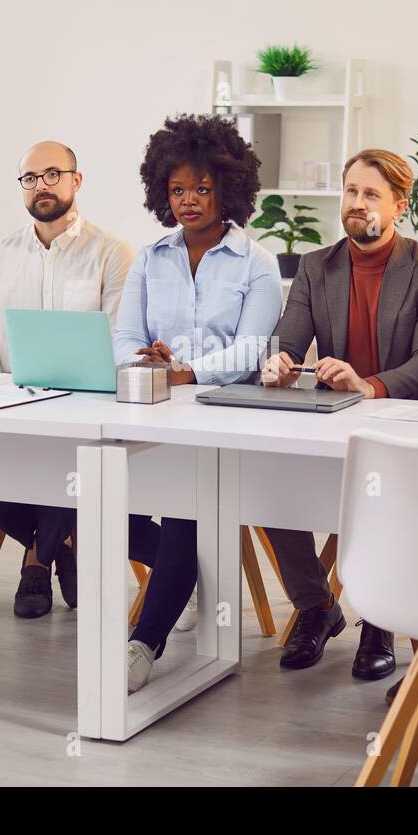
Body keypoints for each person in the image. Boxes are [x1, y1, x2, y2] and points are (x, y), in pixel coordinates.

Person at [259, 148, 418, 685]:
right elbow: (287, 341)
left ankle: (380, 619)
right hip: (335, 424)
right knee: (267, 479)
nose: (356, 202)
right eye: (350, 191)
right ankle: (317, 605)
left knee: (385, 494)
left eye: (371, 193)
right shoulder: (315, 266)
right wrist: (278, 363)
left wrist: (368, 386)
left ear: (399, 204)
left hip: (410, 428)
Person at [0, 141, 153, 618]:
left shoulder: (112, 253)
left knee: (69, 457)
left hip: (83, 415)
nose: (41, 185)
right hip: (8, 407)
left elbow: (118, 346)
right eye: (30, 178)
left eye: (53, 174)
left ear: (76, 180)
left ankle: (38, 558)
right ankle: (63, 542)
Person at [119, 114, 282, 692]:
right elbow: (123, 337)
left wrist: (184, 371)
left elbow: (250, 352)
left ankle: (143, 642)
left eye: (203, 188)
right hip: (153, 408)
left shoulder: (257, 264)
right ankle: (176, 577)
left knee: (186, 509)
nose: (189, 201)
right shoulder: (149, 258)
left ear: (228, 189)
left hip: (223, 420)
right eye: (178, 189)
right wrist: (144, 359)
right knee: (98, 487)